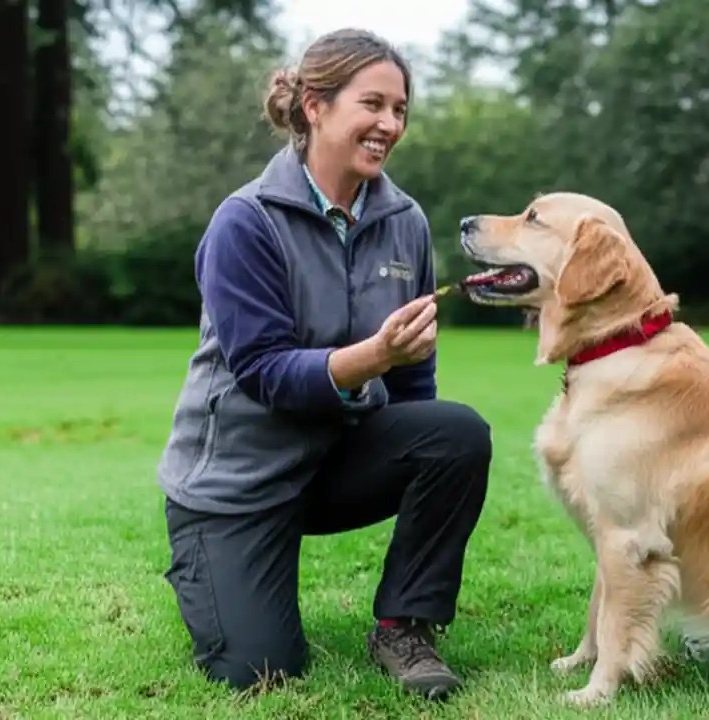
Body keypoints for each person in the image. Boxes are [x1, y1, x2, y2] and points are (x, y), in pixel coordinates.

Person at [154, 28, 492, 701]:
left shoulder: (406, 223)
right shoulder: (245, 221)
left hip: (331, 464)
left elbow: (411, 393)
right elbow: (264, 373)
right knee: (260, 671)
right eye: (373, 104)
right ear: (315, 105)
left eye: (400, 110)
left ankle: (404, 625)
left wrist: (398, 385)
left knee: (454, 433)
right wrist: (374, 355)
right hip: (237, 484)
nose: (389, 124)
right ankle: (211, 567)